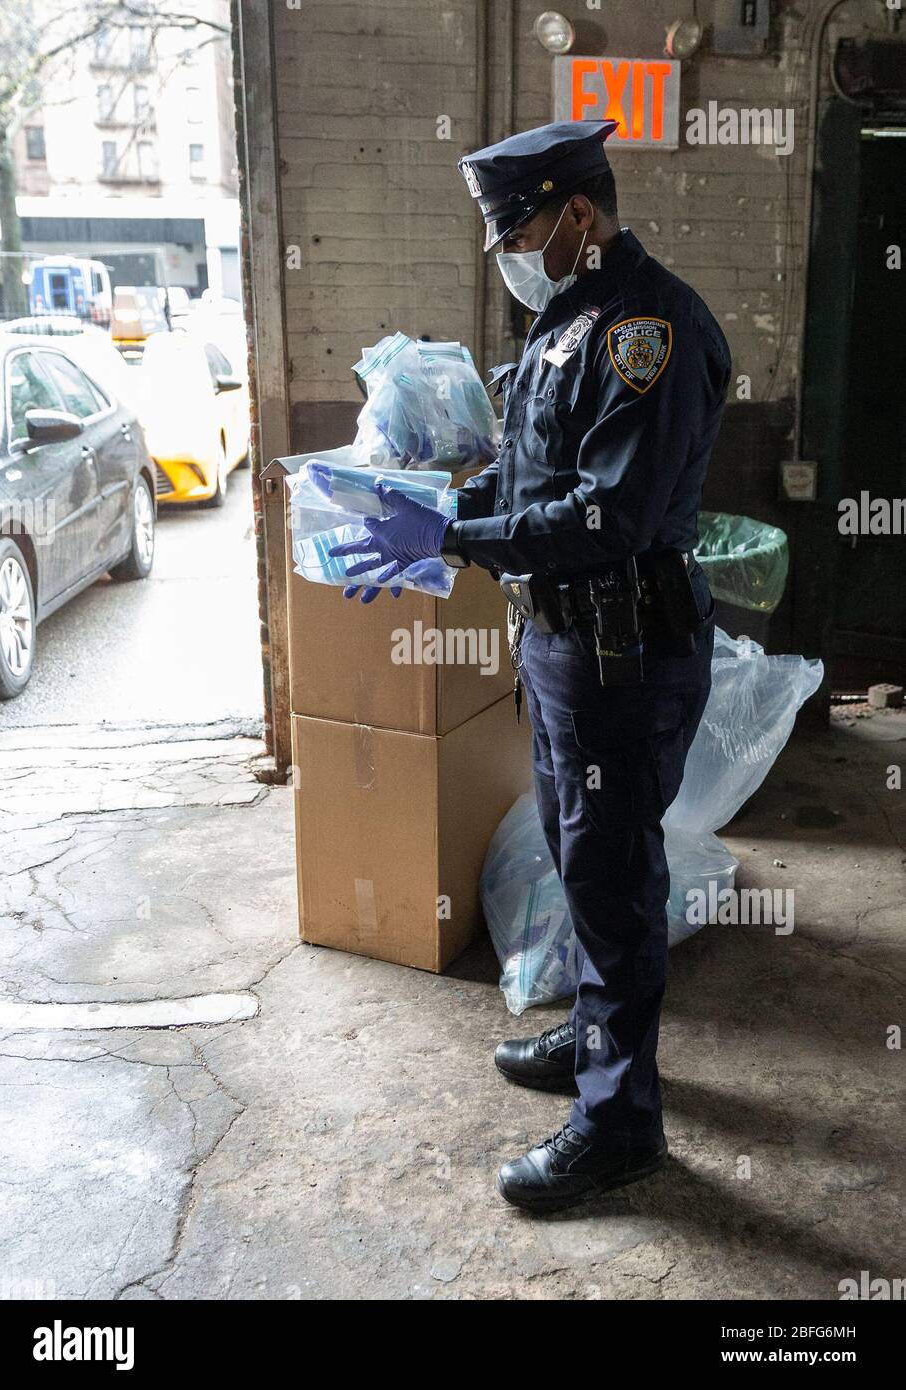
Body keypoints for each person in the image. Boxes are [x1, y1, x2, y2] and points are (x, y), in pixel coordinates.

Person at [331, 120, 732, 1214]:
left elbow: (608, 513)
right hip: (559, 644)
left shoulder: (642, 331)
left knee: (610, 879)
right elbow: (522, 477)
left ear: (577, 216)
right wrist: (426, 508)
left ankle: (619, 1125)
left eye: (515, 228)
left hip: (620, 649)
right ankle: (599, 1037)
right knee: (574, 851)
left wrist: (451, 543)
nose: (507, 250)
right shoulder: (564, 323)